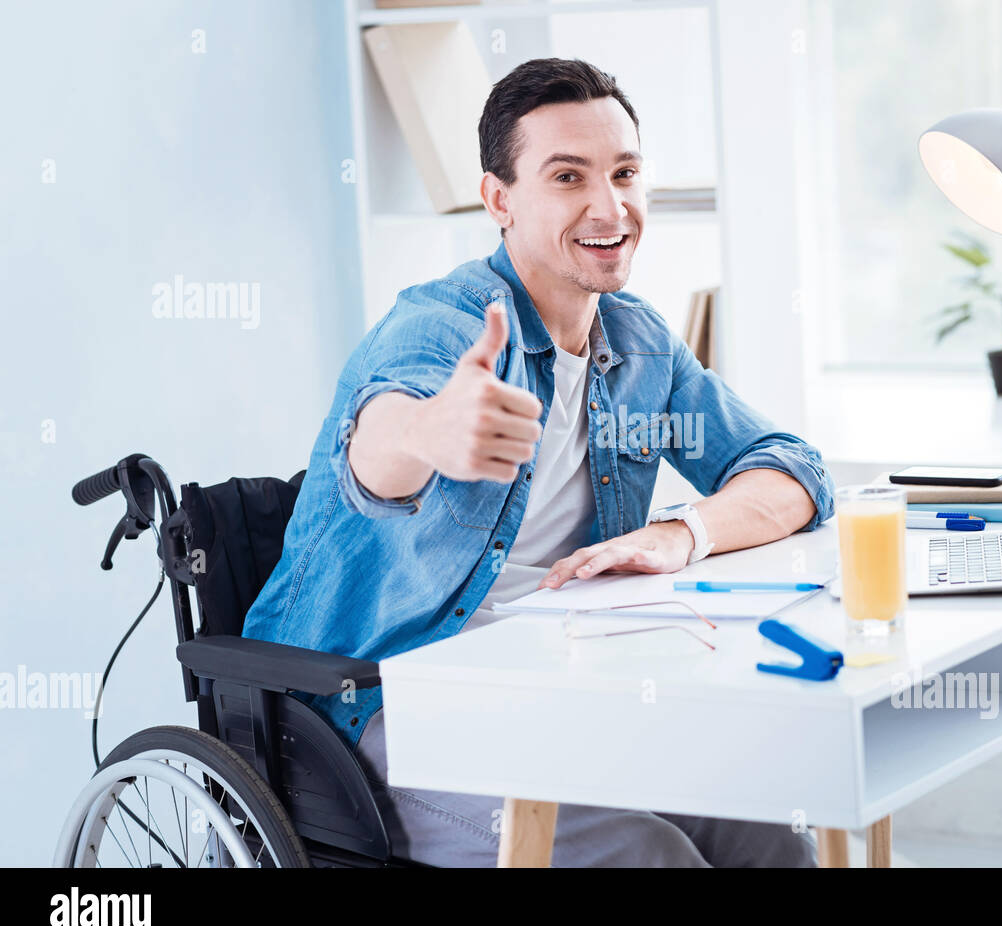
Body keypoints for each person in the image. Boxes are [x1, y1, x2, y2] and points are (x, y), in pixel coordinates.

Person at [243, 57, 835, 867]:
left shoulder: (637, 342)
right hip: (377, 717)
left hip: (554, 689)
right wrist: (431, 432)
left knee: (772, 837)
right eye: (568, 176)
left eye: (625, 172)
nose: (610, 206)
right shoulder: (442, 326)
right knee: (648, 856)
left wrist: (683, 533)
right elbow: (372, 445)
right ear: (499, 200)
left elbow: (792, 468)